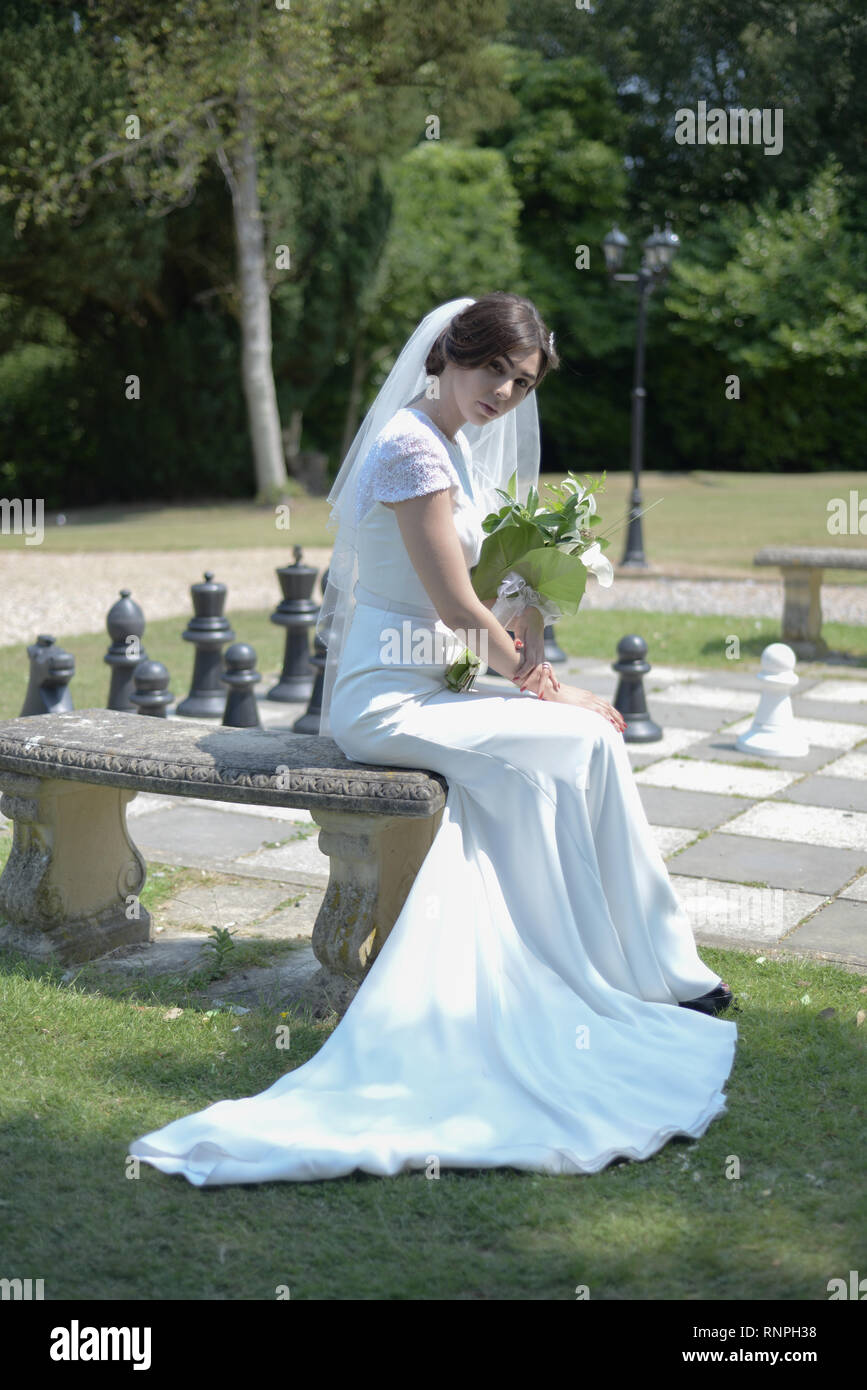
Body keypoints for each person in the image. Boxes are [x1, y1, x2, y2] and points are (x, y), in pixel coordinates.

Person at [129, 293, 737, 1187]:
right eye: (492, 368)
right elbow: (454, 606)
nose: (504, 391)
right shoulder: (411, 446)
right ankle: (646, 972)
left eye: (521, 382)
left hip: (437, 685)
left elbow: (489, 588)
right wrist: (548, 688)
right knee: (580, 744)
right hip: (384, 701)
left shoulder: (457, 449)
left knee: (581, 749)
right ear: (449, 356)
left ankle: (630, 967)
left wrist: (536, 607)